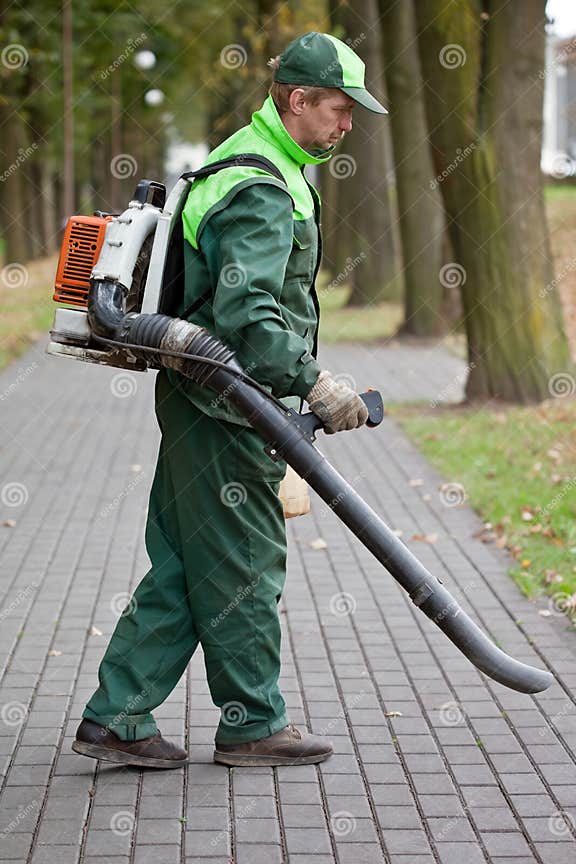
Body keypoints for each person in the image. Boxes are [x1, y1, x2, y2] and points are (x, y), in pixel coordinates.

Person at [73, 31, 387, 770]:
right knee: (245, 562)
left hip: (200, 398)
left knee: (187, 564)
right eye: (339, 110)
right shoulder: (260, 186)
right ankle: (252, 725)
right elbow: (251, 317)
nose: (347, 127)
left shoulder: (251, 157)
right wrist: (313, 383)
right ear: (296, 99)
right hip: (225, 407)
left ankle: (116, 717)